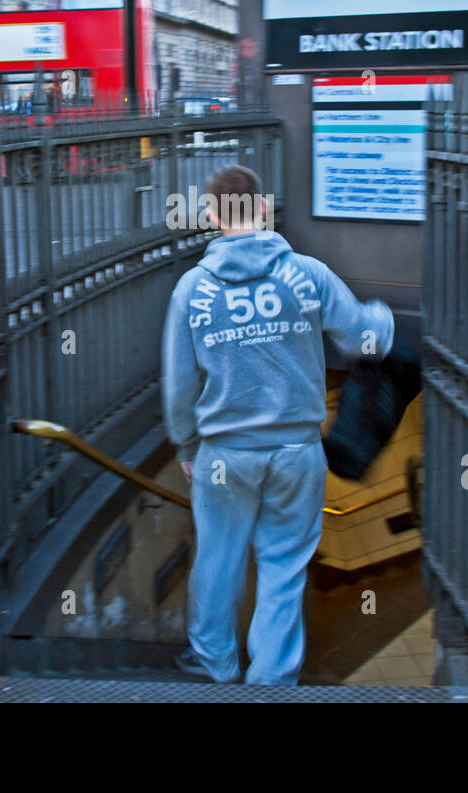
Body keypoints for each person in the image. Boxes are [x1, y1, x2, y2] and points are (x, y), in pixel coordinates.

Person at [161, 164, 394, 685]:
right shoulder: (308, 274)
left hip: (223, 453)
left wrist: (188, 444)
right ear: (264, 208)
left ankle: (214, 664)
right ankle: (271, 682)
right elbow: (364, 340)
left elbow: (179, 385)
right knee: (284, 569)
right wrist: (382, 317)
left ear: (211, 216)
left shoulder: (190, 290)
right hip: (296, 452)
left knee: (217, 563)